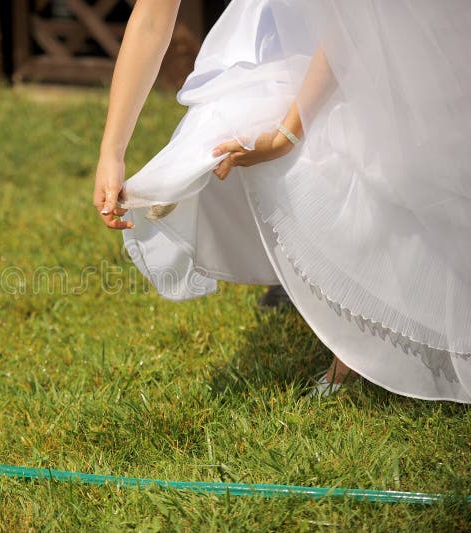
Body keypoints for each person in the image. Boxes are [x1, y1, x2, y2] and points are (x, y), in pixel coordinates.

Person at [93, 0, 471, 401]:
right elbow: (152, 18)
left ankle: (370, 332)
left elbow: (357, 24)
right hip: (285, 19)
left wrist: (288, 132)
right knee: (237, 122)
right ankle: (340, 315)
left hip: (383, 23)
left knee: (360, 148)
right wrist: (111, 151)